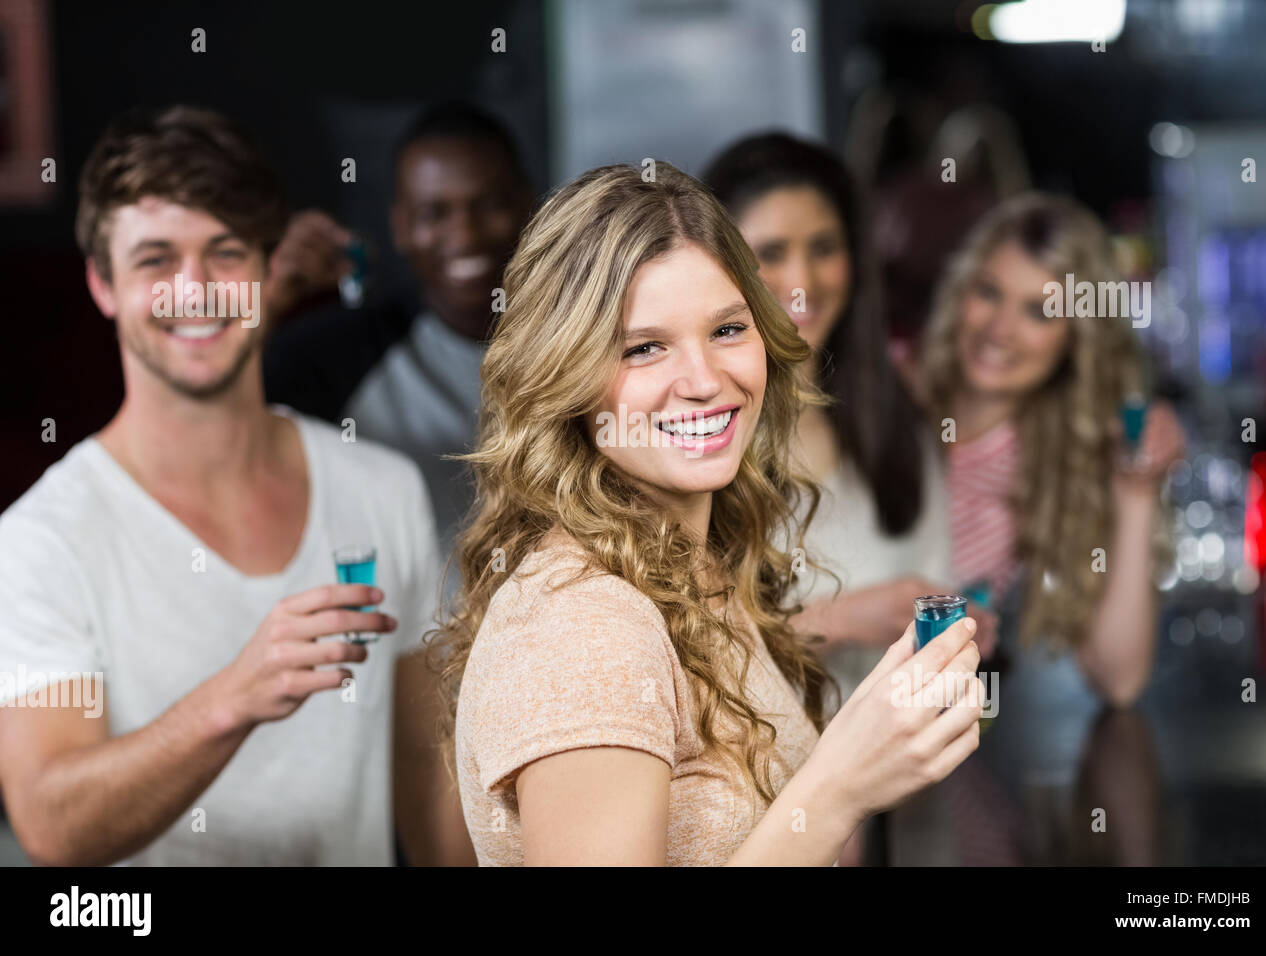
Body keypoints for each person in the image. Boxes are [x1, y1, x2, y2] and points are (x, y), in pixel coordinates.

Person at [434, 162, 986, 866]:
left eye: (728, 329)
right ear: (562, 377)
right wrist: (839, 787)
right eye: (644, 347)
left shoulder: (694, 571)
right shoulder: (584, 626)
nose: (703, 381)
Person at [0, 105, 469, 865]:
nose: (198, 289)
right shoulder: (41, 540)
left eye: (225, 253)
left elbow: (426, 778)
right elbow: (52, 825)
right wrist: (234, 697)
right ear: (103, 283)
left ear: (263, 268)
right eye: (156, 260)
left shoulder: (382, 487)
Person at [702, 133, 1000, 865]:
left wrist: (961, 636)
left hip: (898, 819)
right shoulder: (696, 430)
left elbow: (938, 610)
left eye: (824, 247)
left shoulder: (893, 412)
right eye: (770, 253)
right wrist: (843, 618)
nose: (802, 281)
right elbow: (680, 665)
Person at [917, 192, 1184, 707]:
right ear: (960, 291)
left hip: (926, 734)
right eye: (988, 292)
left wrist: (1135, 492)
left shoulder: (1054, 463)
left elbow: (1119, 678)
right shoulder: (880, 387)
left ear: (1076, 338)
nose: (1000, 329)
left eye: (1040, 311)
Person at [261, 102, 535, 603]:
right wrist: (271, 299)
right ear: (400, 226)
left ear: (529, 205)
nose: (466, 234)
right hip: (410, 664)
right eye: (435, 213)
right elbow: (219, 440)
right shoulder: (338, 356)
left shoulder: (587, 343)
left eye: (490, 204)